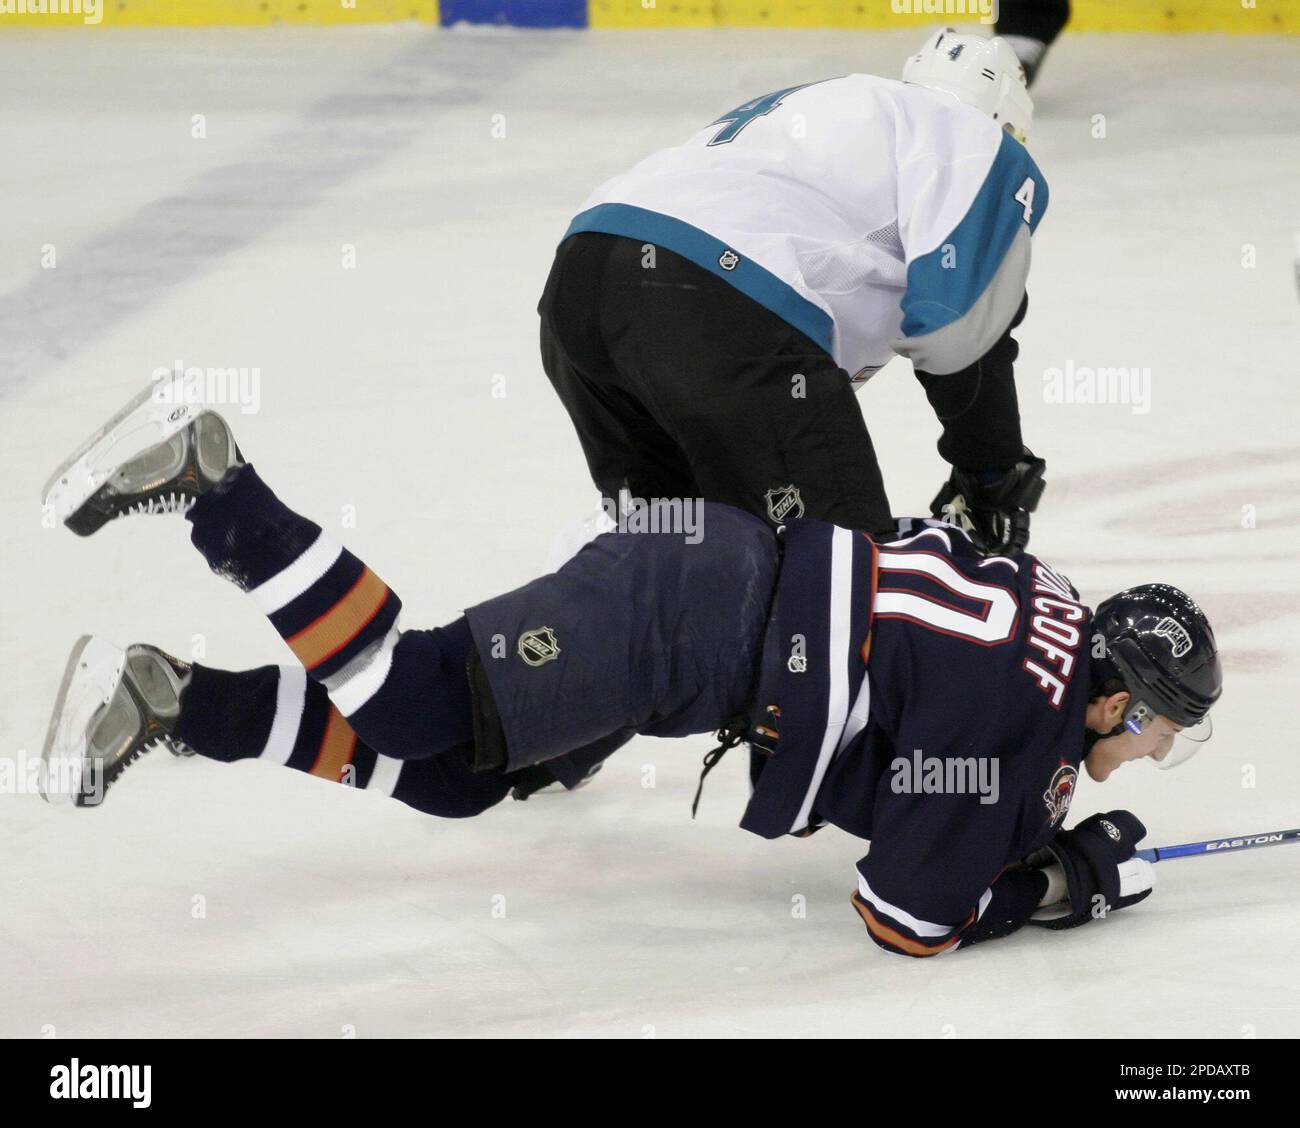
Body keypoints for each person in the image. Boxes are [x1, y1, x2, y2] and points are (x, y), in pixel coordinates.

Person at [39, 384, 1222, 957]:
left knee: (456, 776)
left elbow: (951, 722)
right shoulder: (1026, 736)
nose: (1156, 754)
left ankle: (183, 702)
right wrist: (1064, 886)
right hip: (687, 623)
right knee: (412, 698)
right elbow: (907, 920)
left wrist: (1033, 826)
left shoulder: (1054, 612)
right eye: (1162, 729)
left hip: (712, 573)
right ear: (1115, 695)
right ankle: (217, 485)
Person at [537, 29, 1048, 554]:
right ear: (1005, 120)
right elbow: (957, 334)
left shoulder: (829, 105)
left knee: (670, 567)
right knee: (832, 584)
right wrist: (991, 475)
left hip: (580, 289)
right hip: (711, 305)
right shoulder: (972, 138)